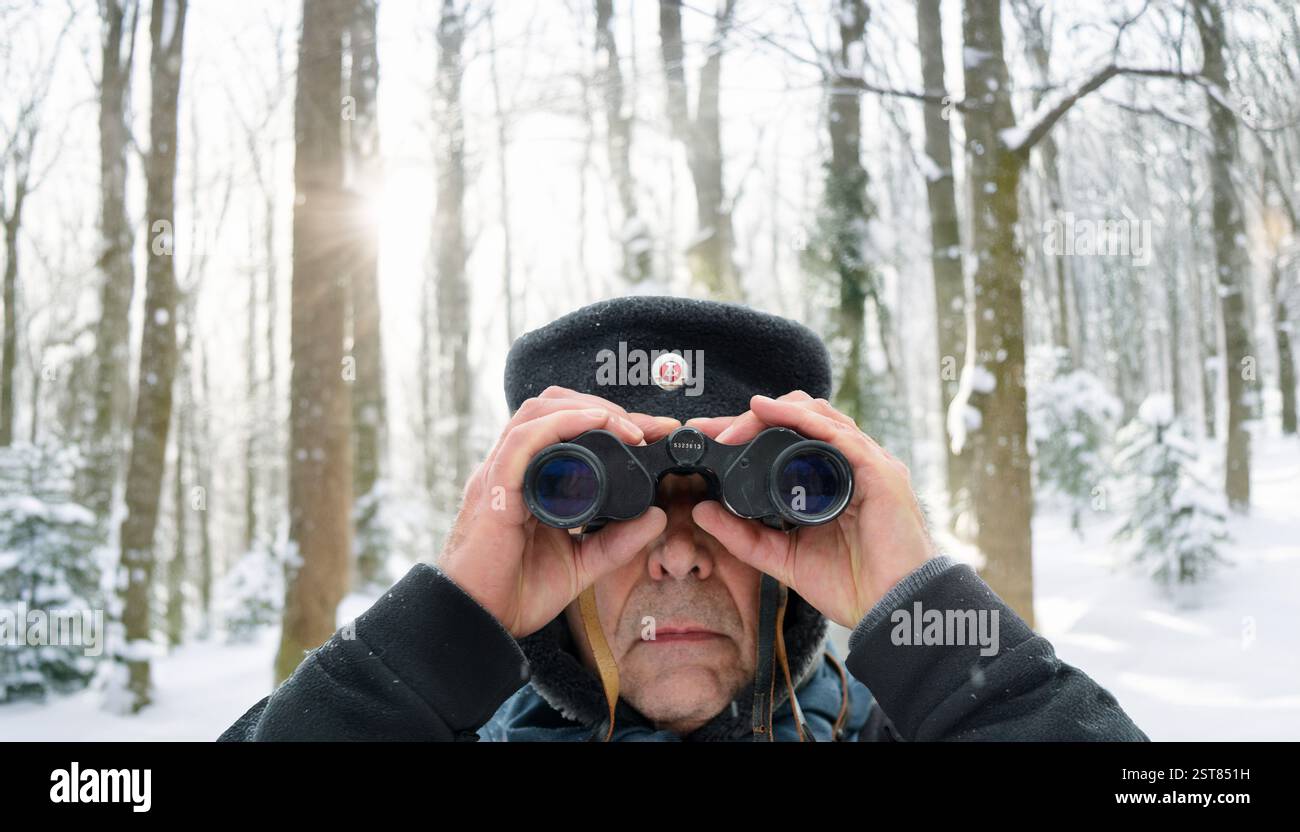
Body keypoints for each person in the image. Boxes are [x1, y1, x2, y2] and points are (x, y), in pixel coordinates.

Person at [219, 296, 1146, 741]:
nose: (677, 558)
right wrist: (438, 630)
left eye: (723, 506)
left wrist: (933, 622)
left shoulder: (914, 732)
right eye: (598, 501)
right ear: (540, 523)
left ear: (792, 542)